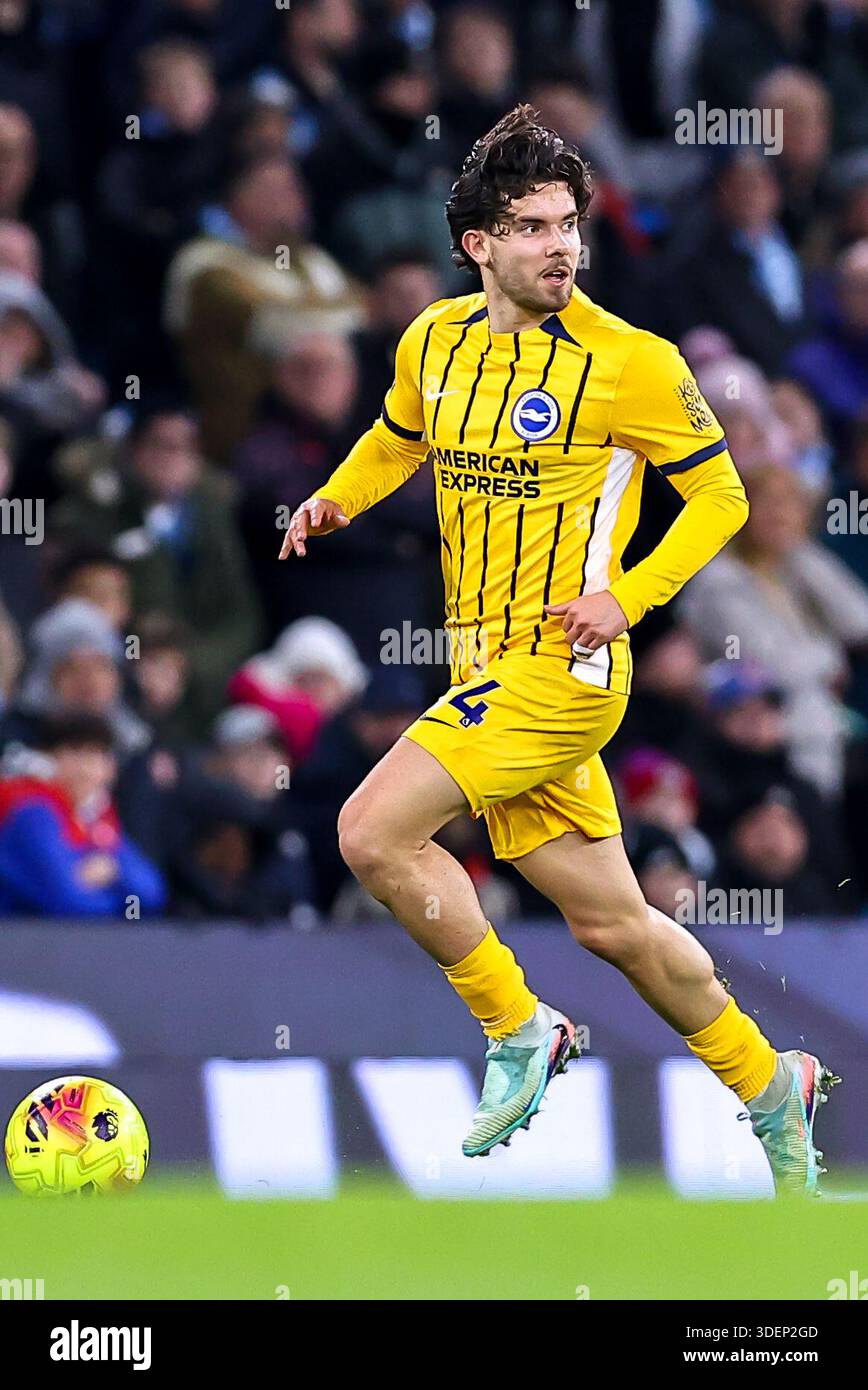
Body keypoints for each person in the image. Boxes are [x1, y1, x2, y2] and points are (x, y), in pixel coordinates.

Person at [281, 104, 838, 1193]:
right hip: (487, 671)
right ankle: (774, 1084)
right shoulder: (432, 339)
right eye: (533, 227)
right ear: (478, 245)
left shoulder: (629, 361)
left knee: (369, 833)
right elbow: (399, 432)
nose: (561, 246)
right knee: (613, 924)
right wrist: (333, 501)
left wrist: (627, 598)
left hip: (569, 671)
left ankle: (518, 1028)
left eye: (568, 222)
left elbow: (720, 494)